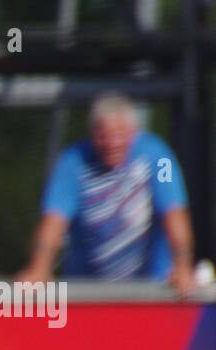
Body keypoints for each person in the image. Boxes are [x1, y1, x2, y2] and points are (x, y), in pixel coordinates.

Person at [17, 92, 195, 296]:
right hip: (87, 289)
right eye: (104, 135)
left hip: (151, 287)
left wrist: (182, 266)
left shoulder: (160, 159)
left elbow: (174, 213)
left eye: (119, 134)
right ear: (92, 133)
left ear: (133, 132)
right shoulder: (72, 162)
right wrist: (39, 269)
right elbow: (54, 220)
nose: (112, 143)